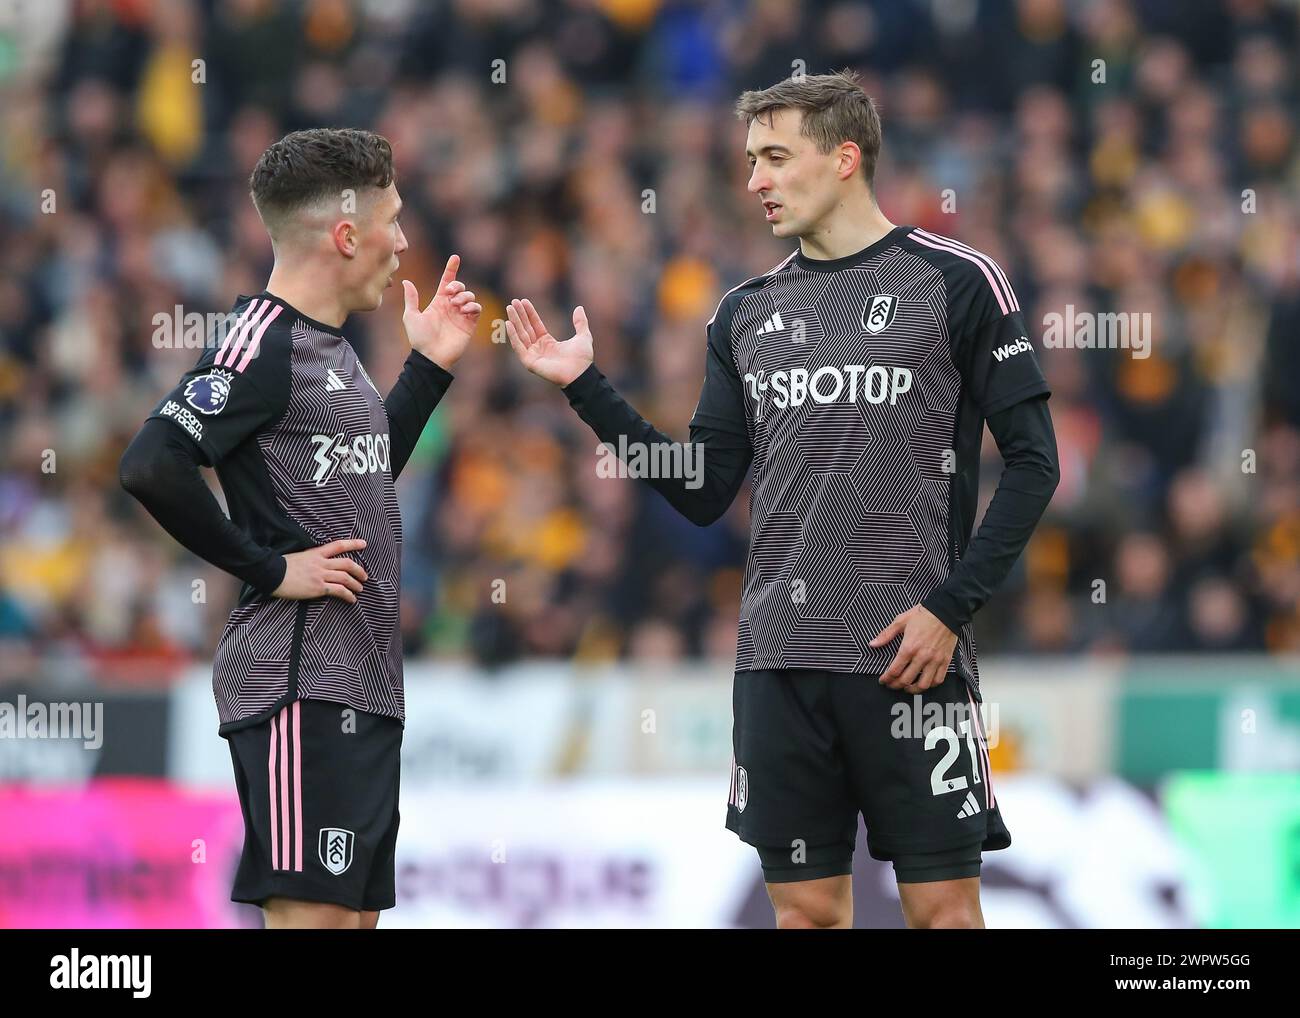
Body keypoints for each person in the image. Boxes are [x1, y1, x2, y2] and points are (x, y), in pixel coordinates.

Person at [505, 71, 1059, 928]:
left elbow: (1035, 464)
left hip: (911, 656)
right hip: (779, 662)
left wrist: (951, 608)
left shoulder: (954, 281)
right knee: (803, 914)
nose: (754, 180)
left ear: (844, 158)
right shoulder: (744, 314)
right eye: (750, 160)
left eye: (774, 157)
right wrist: (588, 390)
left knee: (945, 910)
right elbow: (702, 490)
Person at [119, 128, 480, 929]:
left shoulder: (330, 350)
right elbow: (152, 462)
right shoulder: (264, 341)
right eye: (394, 219)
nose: (405, 241)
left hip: (361, 683)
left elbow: (361, 466)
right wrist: (271, 569)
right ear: (347, 234)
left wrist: (430, 367)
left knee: (346, 924)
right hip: (297, 682)